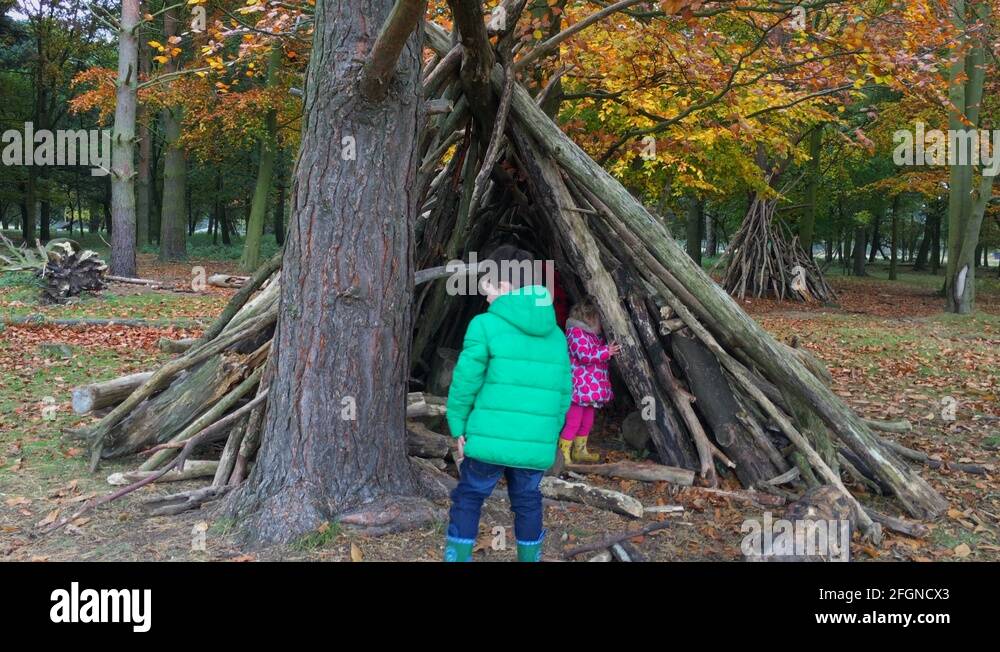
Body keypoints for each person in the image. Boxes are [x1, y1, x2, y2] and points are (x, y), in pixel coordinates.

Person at [443, 245, 572, 562]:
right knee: (528, 501)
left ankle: (457, 557)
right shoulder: (555, 335)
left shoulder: (484, 325)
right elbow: (563, 393)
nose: (485, 297)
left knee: (470, 496)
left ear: (504, 286)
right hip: (534, 444)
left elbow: (465, 382)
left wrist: (457, 425)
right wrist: (549, 433)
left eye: (488, 288)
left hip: (487, 439)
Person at [557, 300, 619, 465]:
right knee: (573, 422)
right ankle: (563, 455)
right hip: (579, 390)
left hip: (589, 390)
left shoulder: (592, 336)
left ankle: (580, 451)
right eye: (599, 320)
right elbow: (585, 355)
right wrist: (606, 351)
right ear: (590, 319)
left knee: (587, 422)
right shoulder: (575, 334)